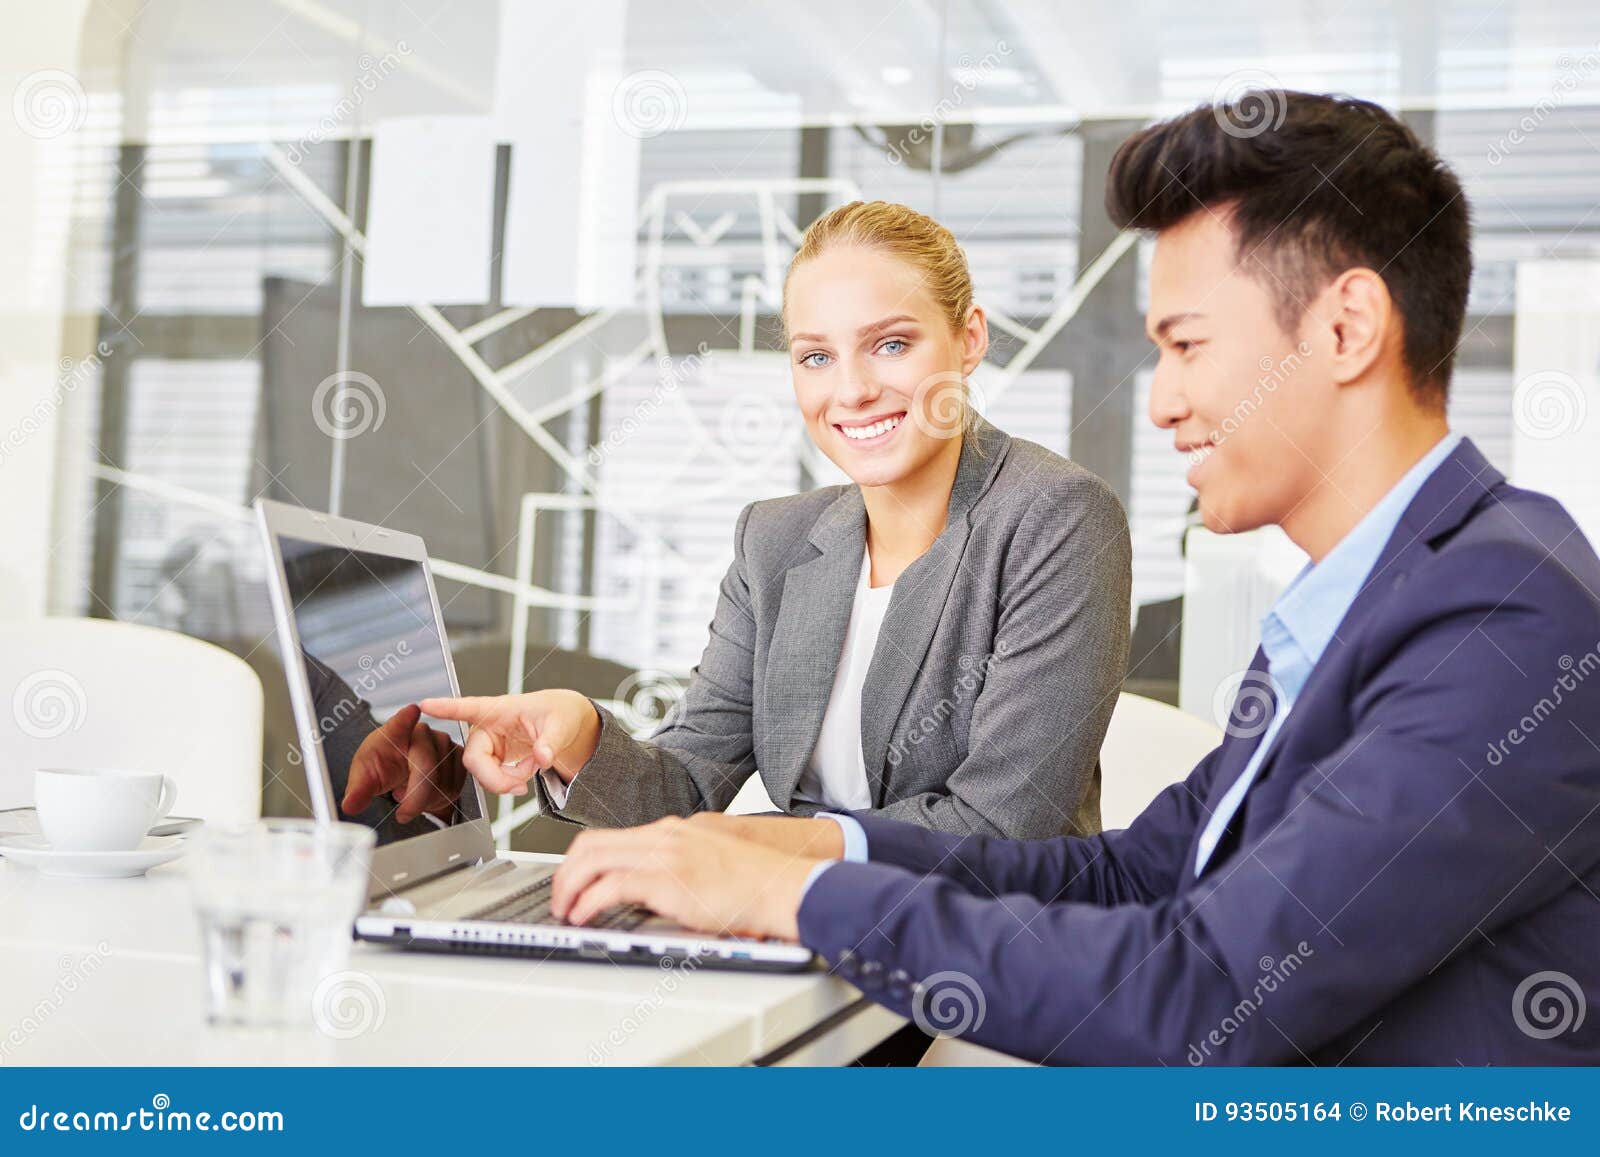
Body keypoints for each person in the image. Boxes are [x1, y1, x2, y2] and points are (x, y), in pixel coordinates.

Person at [539, 92, 1600, 1065]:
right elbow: (1138, 872)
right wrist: (807, 851)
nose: (1162, 404)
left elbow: (1207, 991)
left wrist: (802, 893)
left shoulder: (1501, 616)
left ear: (1345, 328)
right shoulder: (1363, 601)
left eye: (1185, 345)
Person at [350, 200, 1132, 840]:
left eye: (889, 344)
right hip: (803, 945)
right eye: (815, 356)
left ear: (968, 339)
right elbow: (686, 786)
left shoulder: (1055, 518)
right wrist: (577, 730)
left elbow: (1004, 826)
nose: (851, 390)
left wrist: (747, 848)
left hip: (984, 972)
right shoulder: (776, 541)